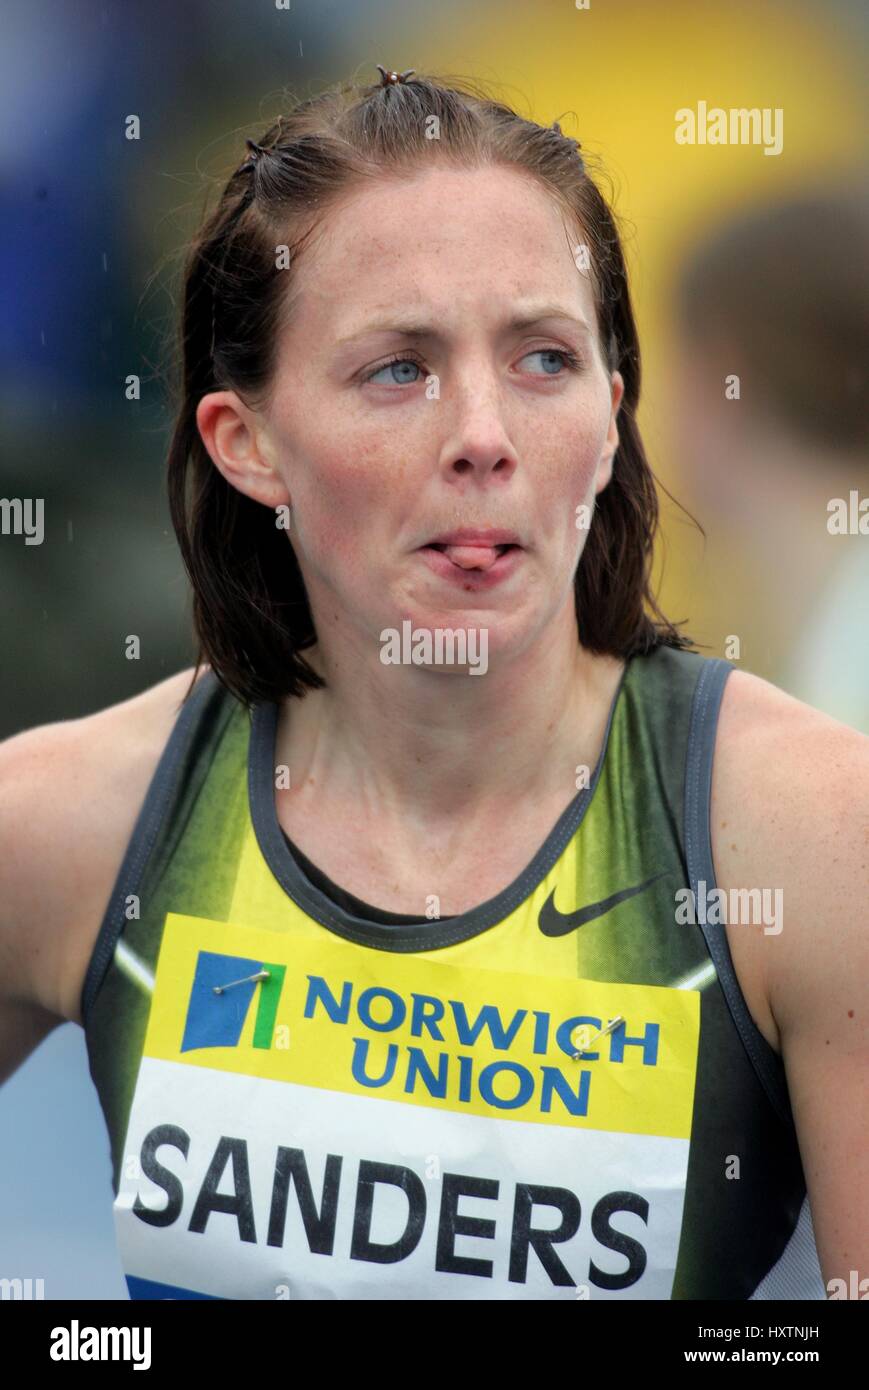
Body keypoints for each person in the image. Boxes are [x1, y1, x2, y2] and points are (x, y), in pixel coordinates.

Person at [1, 66, 866, 1302]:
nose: (483, 432)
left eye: (542, 359)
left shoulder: (811, 839)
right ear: (246, 445)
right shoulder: (67, 823)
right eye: (398, 369)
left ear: (612, 416)